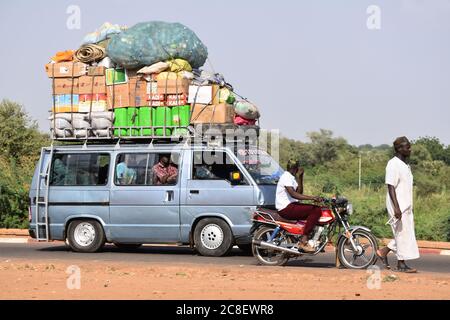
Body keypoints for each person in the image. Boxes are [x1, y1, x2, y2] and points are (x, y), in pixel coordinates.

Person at [376, 136, 419, 273]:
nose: (410, 149)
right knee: (401, 234)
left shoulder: (405, 165)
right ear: (400, 149)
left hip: (406, 205)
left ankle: (383, 252)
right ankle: (401, 264)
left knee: (406, 234)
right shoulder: (393, 164)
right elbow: (391, 186)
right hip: (397, 205)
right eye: (408, 147)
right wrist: (396, 207)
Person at [275, 159, 323, 253]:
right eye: (297, 168)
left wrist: (300, 177)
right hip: (286, 208)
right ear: (295, 168)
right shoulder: (286, 177)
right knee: (316, 210)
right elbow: (293, 194)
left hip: (292, 205)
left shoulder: (292, 178)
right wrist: (312, 198)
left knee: (314, 210)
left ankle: (310, 237)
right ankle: (303, 241)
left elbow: (299, 192)